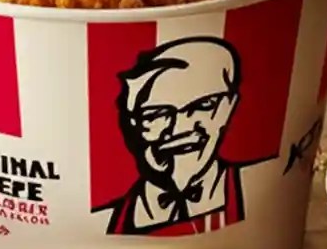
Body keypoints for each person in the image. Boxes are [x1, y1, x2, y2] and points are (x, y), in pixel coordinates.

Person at [101, 38, 250, 236]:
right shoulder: (102, 220)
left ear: (228, 108)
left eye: (202, 106)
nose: (180, 129)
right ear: (134, 124)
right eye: (156, 114)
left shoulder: (264, 189)